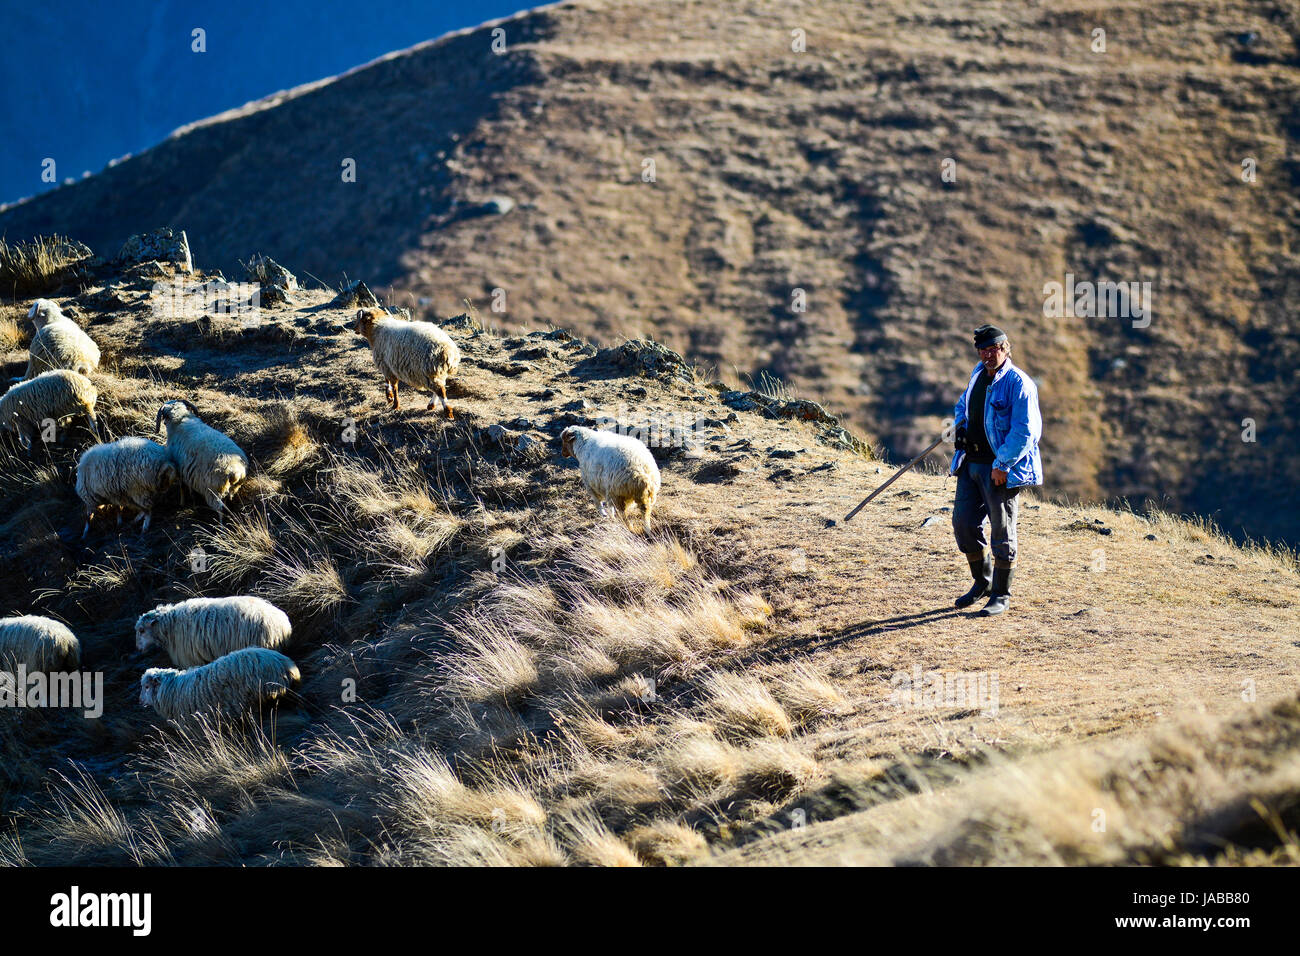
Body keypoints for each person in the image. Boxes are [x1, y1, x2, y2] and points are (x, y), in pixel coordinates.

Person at [949, 325, 1042, 615]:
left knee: (1002, 532)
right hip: (970, 464)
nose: (989, 355)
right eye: (984, 350)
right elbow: (962, 405)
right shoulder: (978, 374)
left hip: (998, 469)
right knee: (963, 525)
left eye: (994, 349)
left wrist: (1002, 464)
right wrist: (960, 427)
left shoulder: (1018, 383)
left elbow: (1026, 431)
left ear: (1005, 349)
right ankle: (983, 582)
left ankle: (1001, 594)